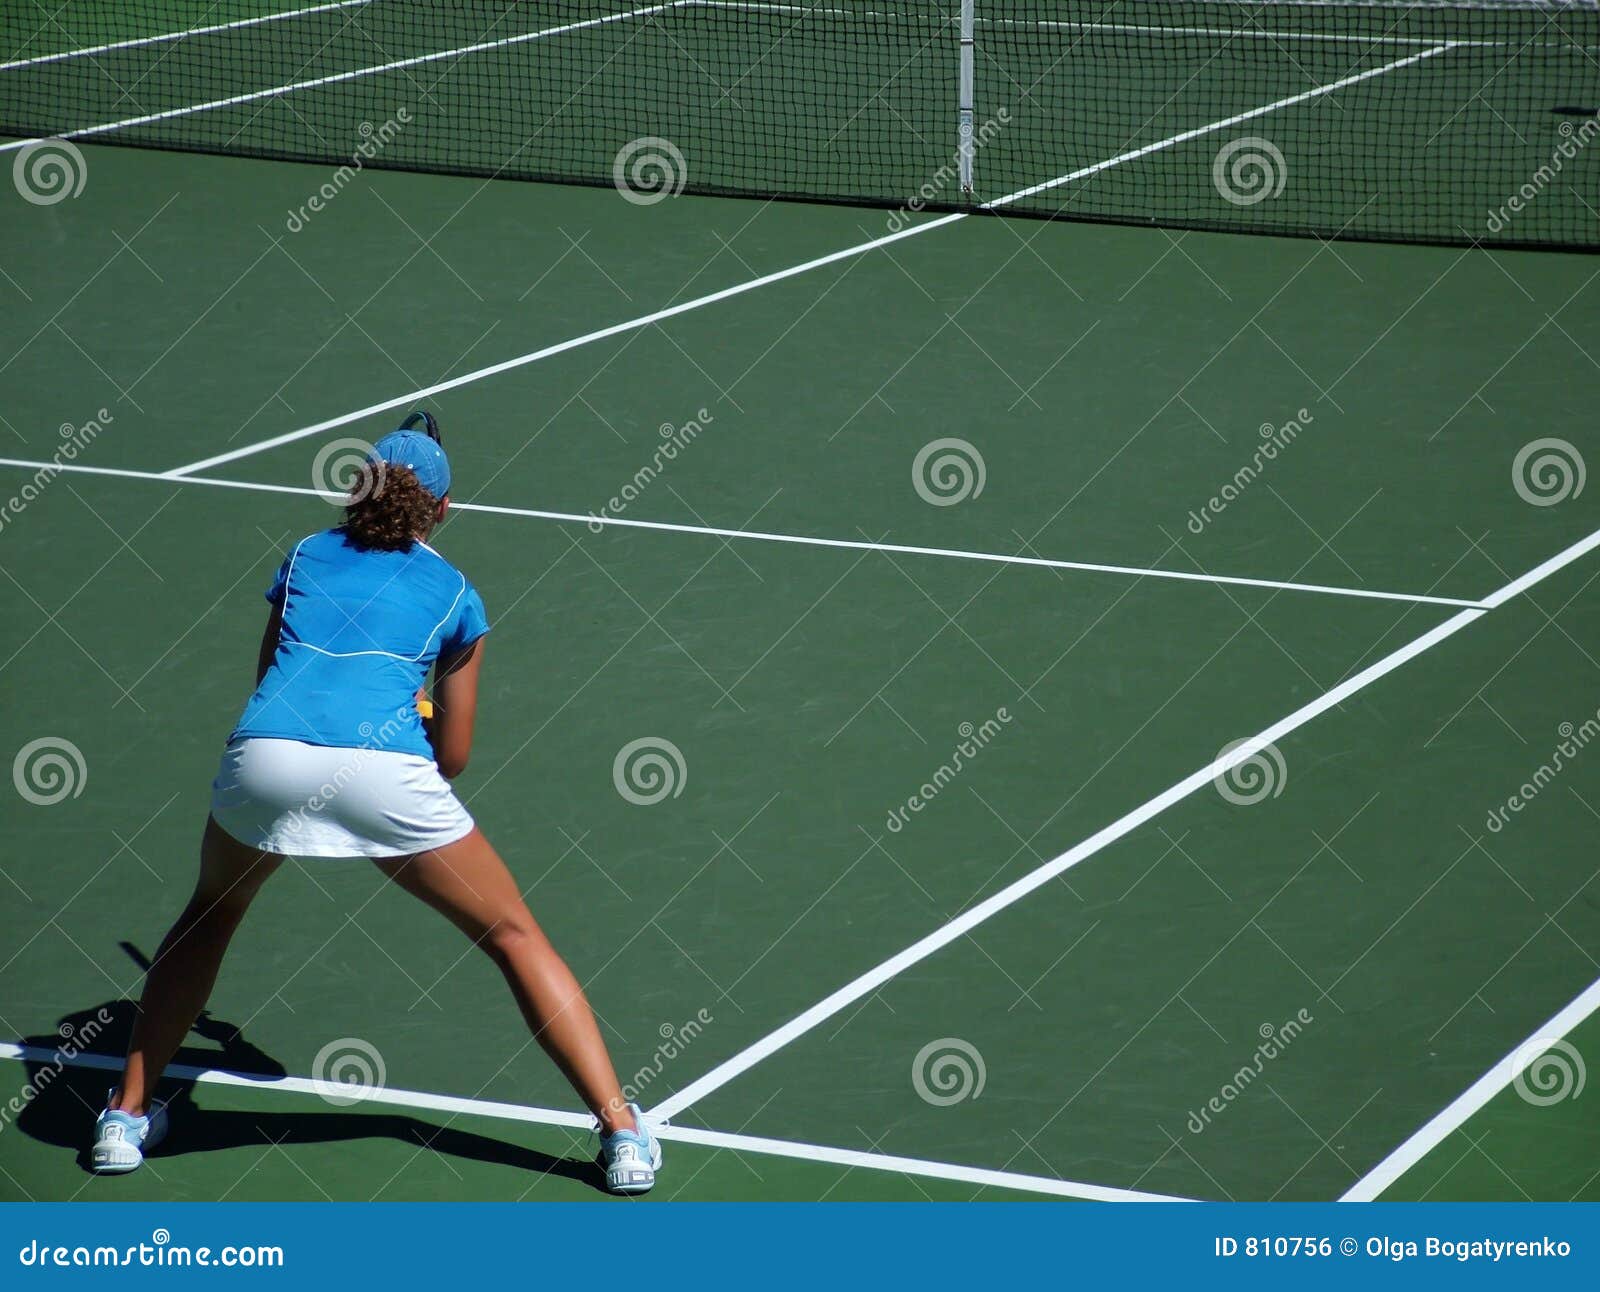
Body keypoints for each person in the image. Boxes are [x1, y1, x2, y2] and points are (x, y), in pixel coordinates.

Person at [90, 420, 660, 1195]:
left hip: (265, 760)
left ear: (356, 492)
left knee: (210, 913)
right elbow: (451, 758)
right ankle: (622, 1133)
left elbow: (272, 680)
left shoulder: (303, 559)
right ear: (443, 510)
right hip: (385, 775)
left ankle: (124, 1119)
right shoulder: (455, 593)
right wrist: (412, 717)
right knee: (514, 935)